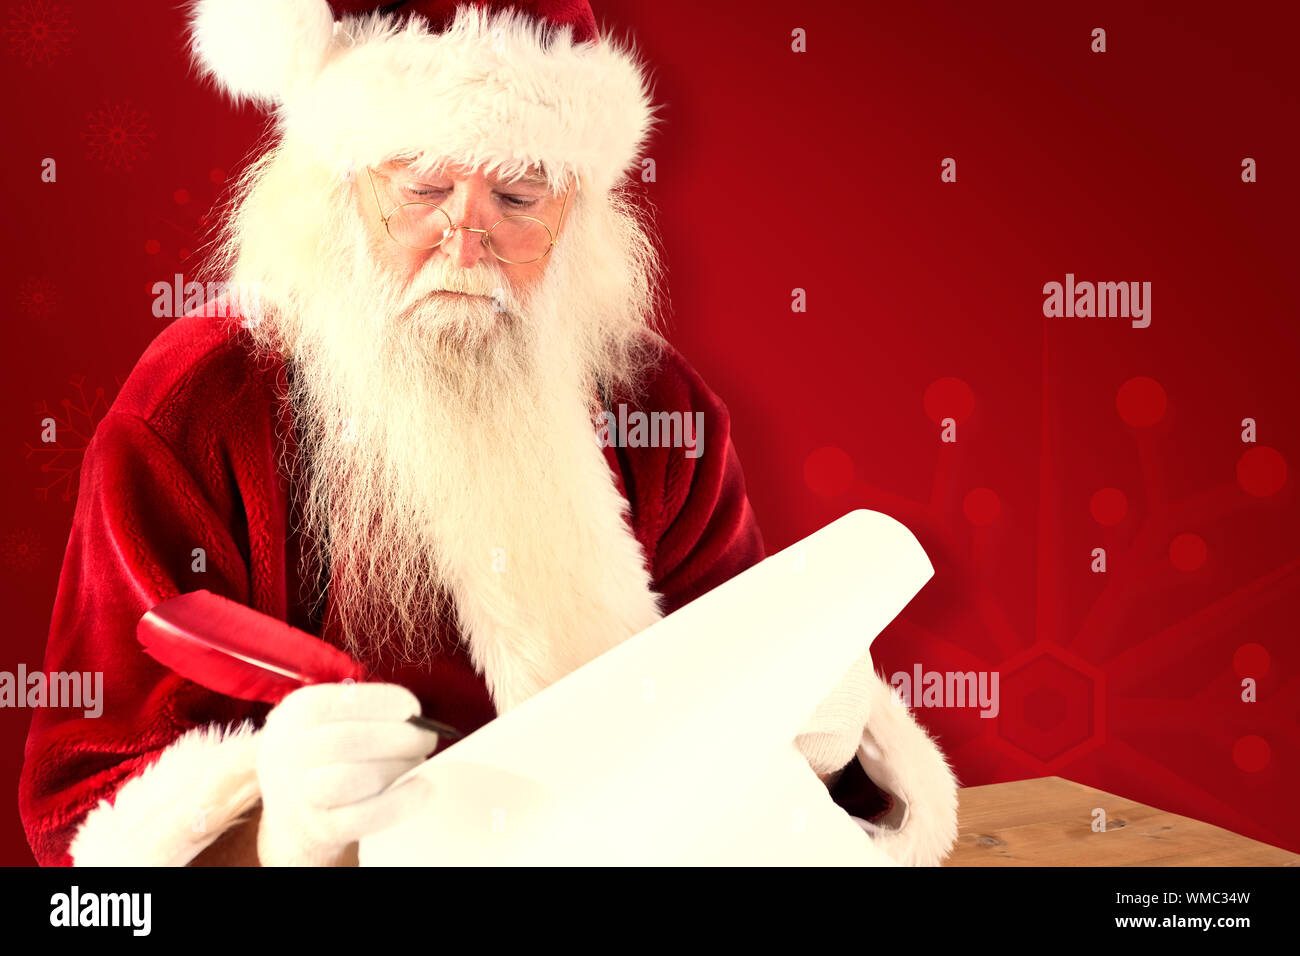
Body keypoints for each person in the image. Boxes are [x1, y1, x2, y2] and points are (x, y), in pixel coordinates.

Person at [19, 0, 958, 866]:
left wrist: (828, 735)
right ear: (339, 191)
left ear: (577, 220)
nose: (466, 244)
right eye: (425, 189)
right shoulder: (197, 410)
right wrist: (274, 826)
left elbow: (738, 719)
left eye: (516, 201)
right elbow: (81, 822)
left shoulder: (657, 406)